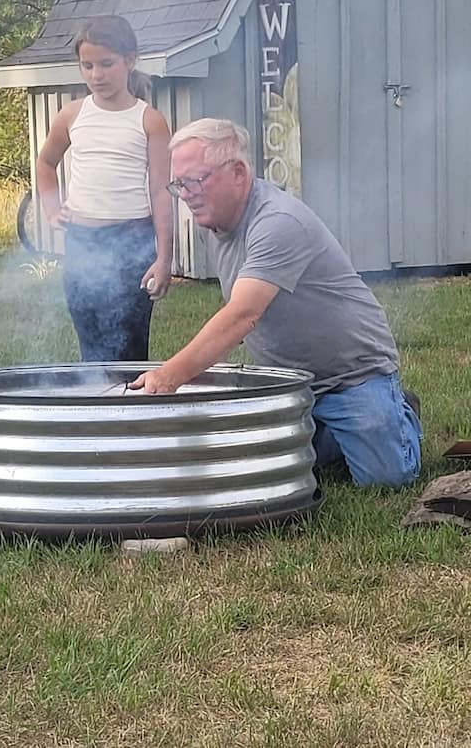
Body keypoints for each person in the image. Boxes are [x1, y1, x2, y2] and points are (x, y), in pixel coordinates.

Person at [130, 118, 422, 489]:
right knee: (253, 464)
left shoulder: (277, 222)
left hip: (351, 375)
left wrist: (169, 376)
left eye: (195, 180)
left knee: (387, 479)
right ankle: (336, 432)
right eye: (179, 184)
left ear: (237, 172)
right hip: (289, 382)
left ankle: (401, 413)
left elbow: (242, 316)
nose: (185, 194)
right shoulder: (215, 224)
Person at [36, 15, 173, 362]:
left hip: (132, 242)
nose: (97, 74)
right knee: (91, 339)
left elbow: (160, 192)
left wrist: (164, 258)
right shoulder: (71, 115)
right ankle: (94, 407)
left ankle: (131, 409)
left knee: (128, 346)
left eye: (107, 64)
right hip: (82, 241)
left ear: (131, 60)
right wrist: (52, 209)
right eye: (88, 65)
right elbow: (45, 164)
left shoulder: (149, 120)